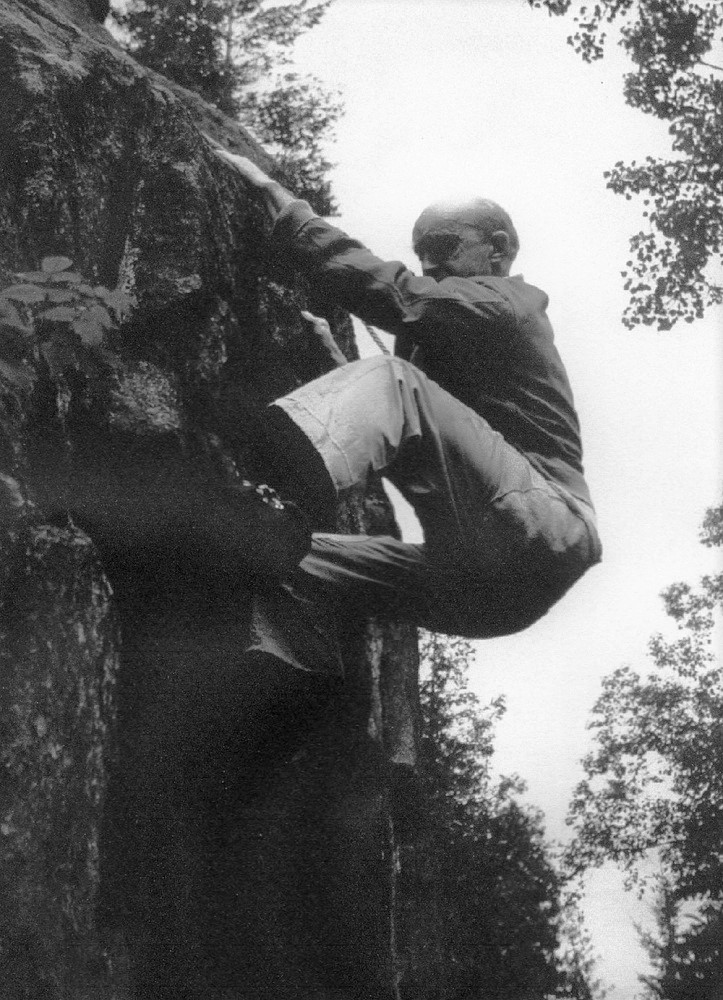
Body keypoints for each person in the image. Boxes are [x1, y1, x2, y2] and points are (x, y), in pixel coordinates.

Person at [212, 143, 602, 646]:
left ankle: (272, 487)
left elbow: (398, 297)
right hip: (488, 596)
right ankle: (283, 655)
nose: (427, 263)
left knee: (392, 380)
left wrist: (288, 209)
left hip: (546, 524)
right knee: (282, 552)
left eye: (441, 246)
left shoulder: (512, 305)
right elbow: (433, 438)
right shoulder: (449, 343)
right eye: (420, 252)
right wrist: (341, 367)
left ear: (498, 249)